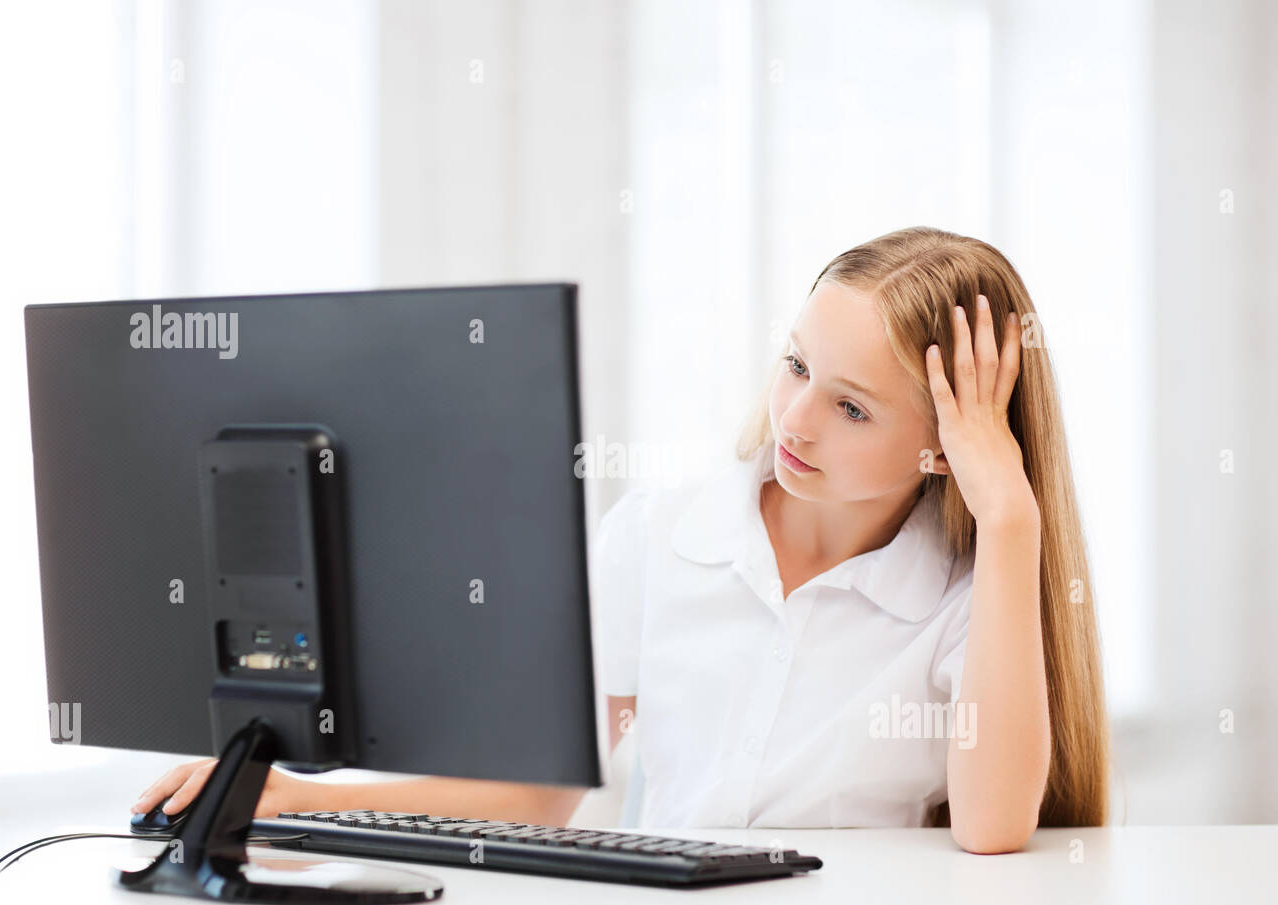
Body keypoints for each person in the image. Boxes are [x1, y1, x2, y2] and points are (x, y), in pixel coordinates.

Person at [132, 226, 1110, 853]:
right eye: (795, 366)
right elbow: (534, 798)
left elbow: (992, 828)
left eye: (851, 407)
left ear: (946, 447)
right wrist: (292, 799)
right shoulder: (662, 533)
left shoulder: (965, 596)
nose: (796, 420)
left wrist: (1009, 517)